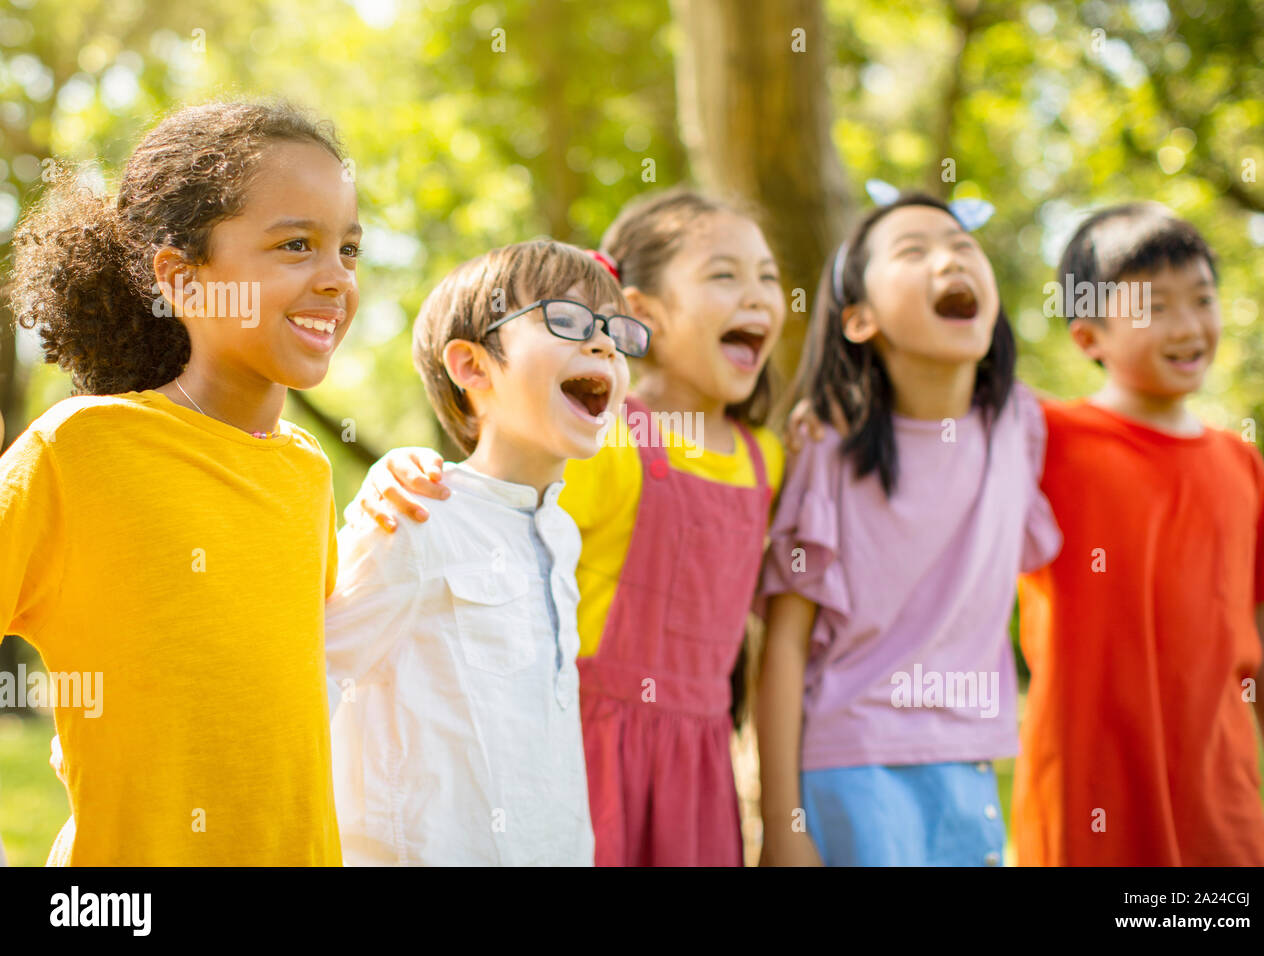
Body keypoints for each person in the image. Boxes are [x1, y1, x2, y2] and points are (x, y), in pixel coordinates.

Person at [354, 189, 786, 865]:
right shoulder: (590, 451)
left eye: (769, 277)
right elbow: (319, 673)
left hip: (684, 768)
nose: (602, 344)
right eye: (725, 274)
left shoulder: (764, 459)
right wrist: (398, 472)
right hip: (600, 753)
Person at [0, 101, 357, 865]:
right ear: (182, 279)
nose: (335, 279)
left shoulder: (309, 471)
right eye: (297, 244)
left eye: (349, 250)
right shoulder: (80, 450)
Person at [763, 192, 1060, 866]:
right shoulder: (827, 443)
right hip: (853, 763)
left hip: (970, 761)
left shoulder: (1021, 425)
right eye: (913, 250)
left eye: (961, 245)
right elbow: (783, 644)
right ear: (860, 320)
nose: (949, 258)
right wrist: (782, 825)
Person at [325, 240, 635, 865]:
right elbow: (307, 681)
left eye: (615, 332)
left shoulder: (561, 532)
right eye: (568, 320)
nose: (603, 343)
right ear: (471, 367)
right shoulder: (412, 513)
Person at [1014, 202, 1264, 866]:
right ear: (1089, 338)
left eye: (1202, 299)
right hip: (1086, 797)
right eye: (1156, 307)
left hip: (1218, 798)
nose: (1189, 325)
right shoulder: (1044, 439)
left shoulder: (1239, 462)